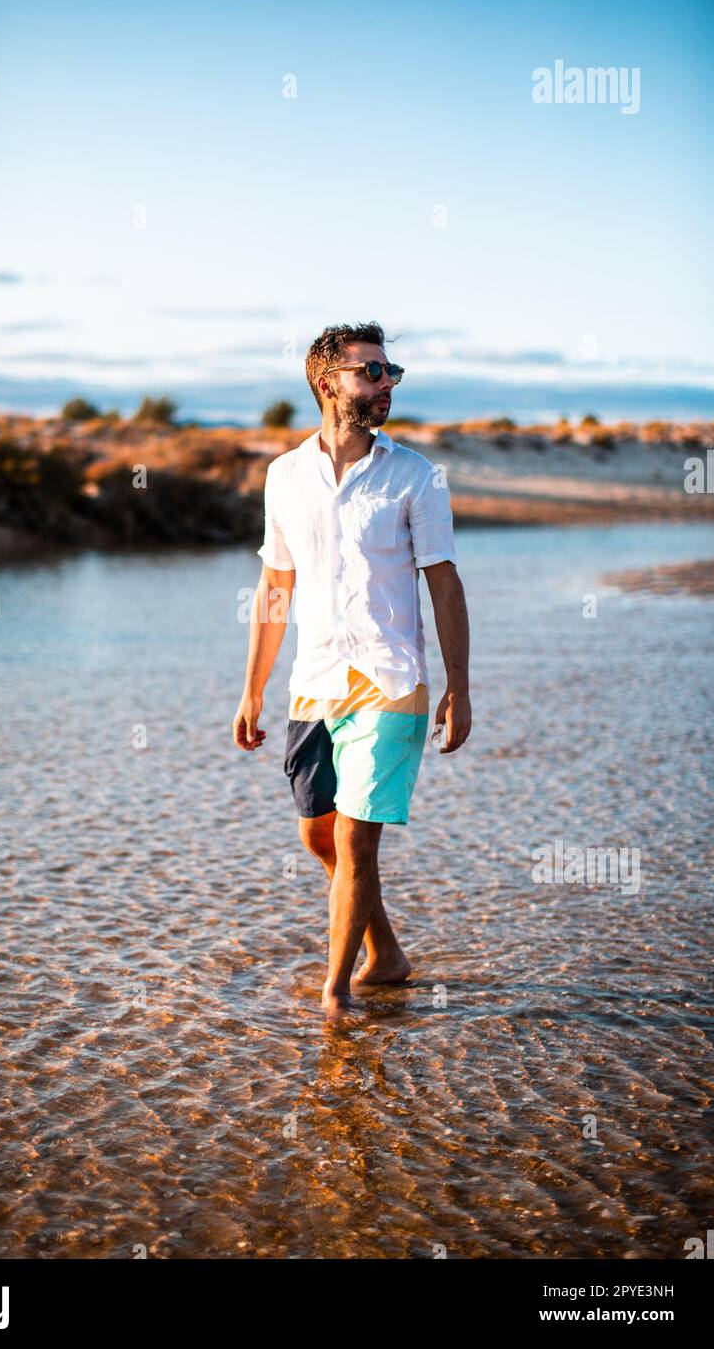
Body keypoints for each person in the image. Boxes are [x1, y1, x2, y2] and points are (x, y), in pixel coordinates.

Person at [232, 321, 471, 1012]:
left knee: (354, 840)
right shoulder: (284, 476)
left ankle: (337, 995)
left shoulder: (416, 476)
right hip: (315, 682)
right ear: (325, 381)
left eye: (390, 371)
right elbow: (276, 588)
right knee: (318, 834)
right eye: (371, 372)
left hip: (392, 682)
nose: (385, 383)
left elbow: (445, 583)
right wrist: (251, 692)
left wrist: (459, 685)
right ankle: (388, 952)